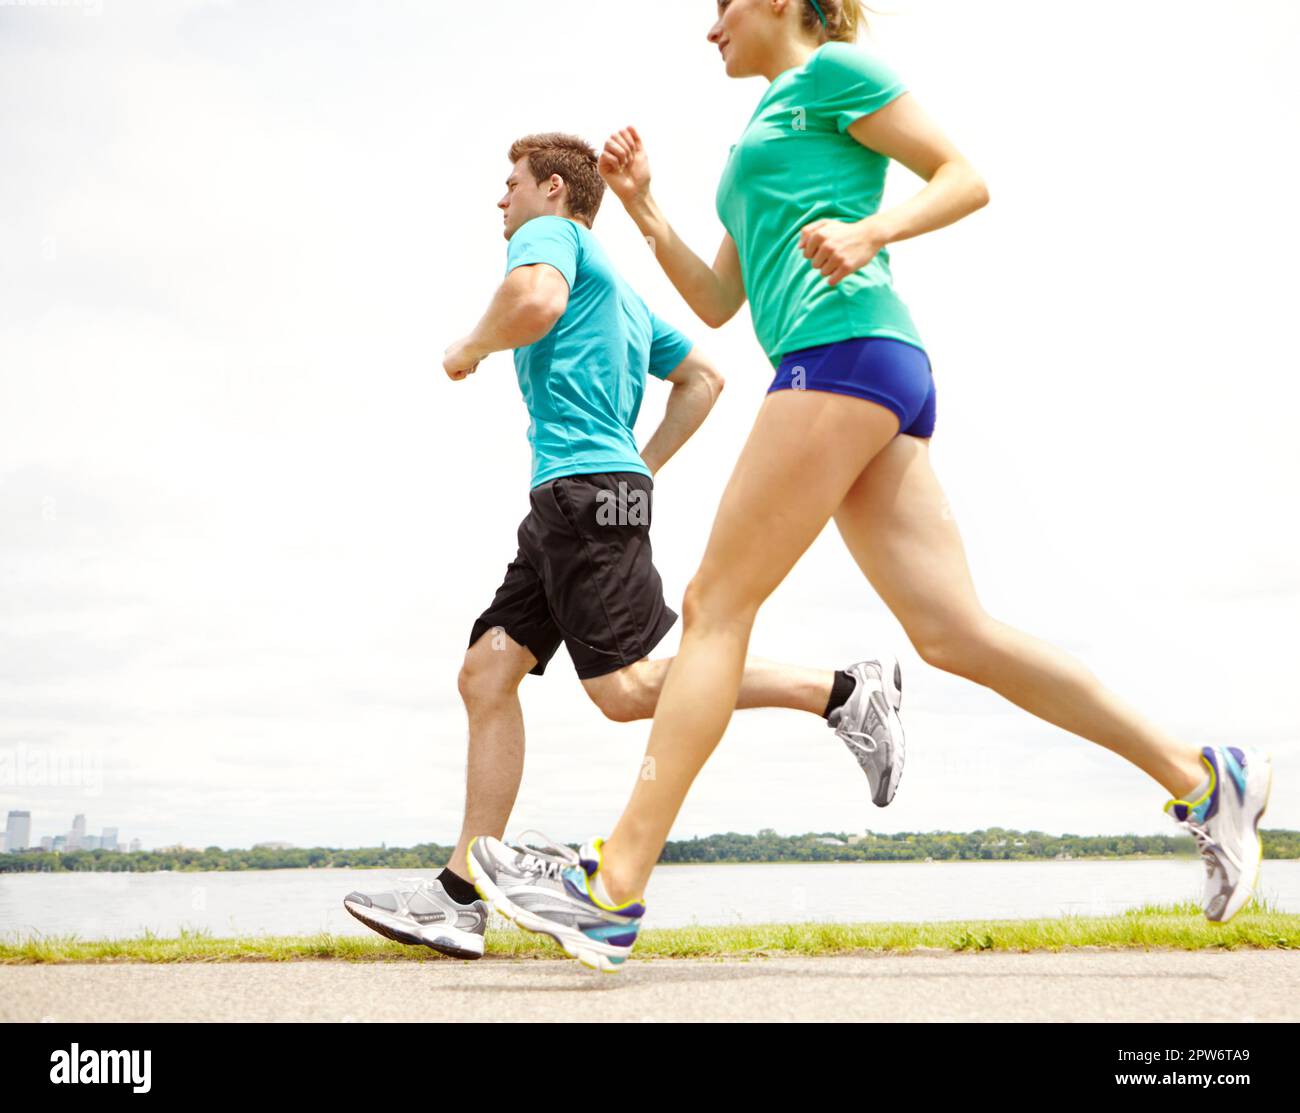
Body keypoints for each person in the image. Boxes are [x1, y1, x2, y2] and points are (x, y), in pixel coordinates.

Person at [466, 1, 1273, 971]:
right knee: (953, 634)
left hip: (840, 349)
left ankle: (615, 885)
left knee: (717, 604)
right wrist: (643, 207)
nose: (709, 26)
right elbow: (720, 302)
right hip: (858, 365)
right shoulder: (759, 130)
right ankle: (1200, 777)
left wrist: (870, 229)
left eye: (722, 5)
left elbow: (962, 177)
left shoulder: (836, 74)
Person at [344, 129, 906, 960]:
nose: (502, 200)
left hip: (581, 497)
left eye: (513, 184)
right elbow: (704, 378)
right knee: (488, 669)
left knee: (628, 689)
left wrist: (468, 346)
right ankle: (461, 897)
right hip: (572, 501)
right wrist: (637, 467)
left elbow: (532, 303)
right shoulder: (621, 294)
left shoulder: (556, 240)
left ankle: (842, 690)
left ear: (554, 192)